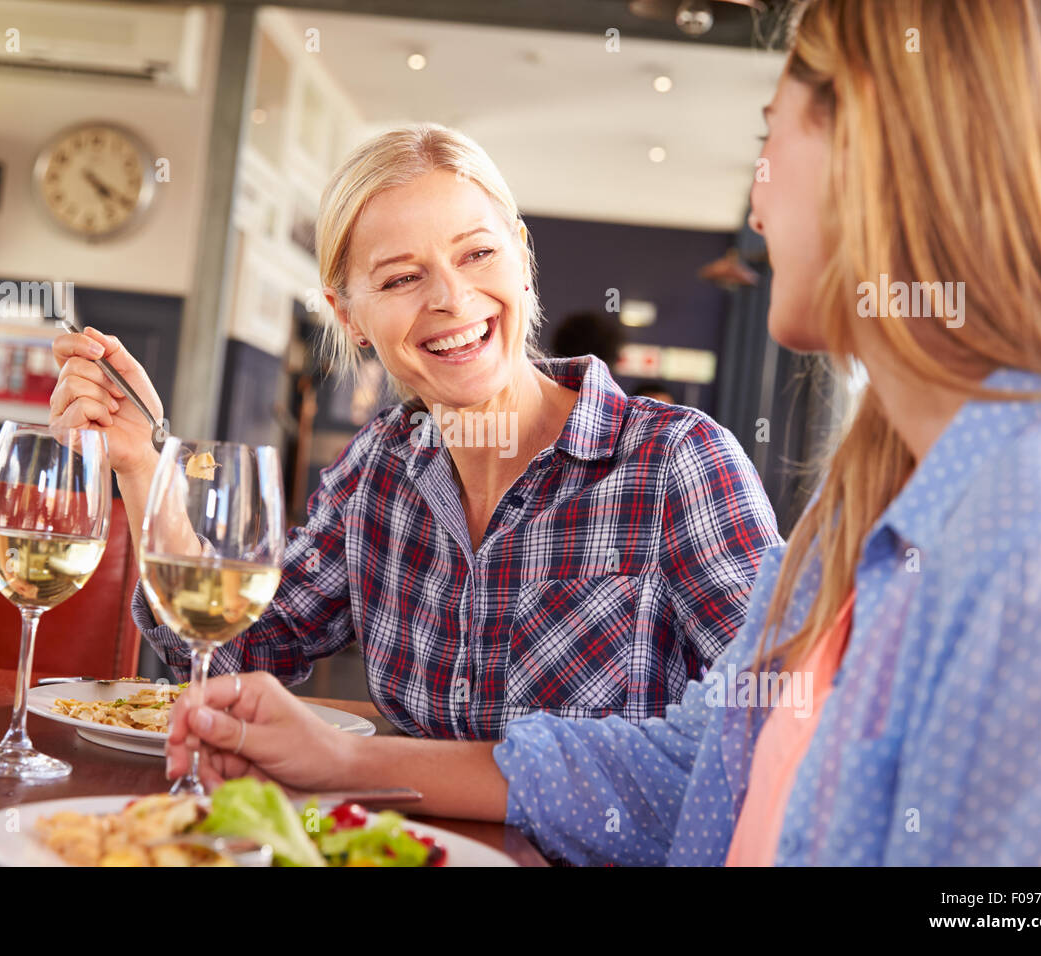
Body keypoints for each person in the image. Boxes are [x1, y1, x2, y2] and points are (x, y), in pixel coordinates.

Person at [163, 0, 1041, 865]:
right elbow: (699, 761)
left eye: (769, 138)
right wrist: (334, 758)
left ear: (881, 157)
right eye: (402, 276)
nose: (754, 200)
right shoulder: (872, 493)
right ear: (349, 310)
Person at [49, 124, 782, 740]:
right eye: (401, 278)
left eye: (477, 254)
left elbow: (777, 730)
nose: (452, 298)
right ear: (348, 317)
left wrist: (368, 765)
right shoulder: (380, 470)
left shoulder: (676, 461)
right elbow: (233, 649)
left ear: (522, 260)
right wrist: (143, 470)